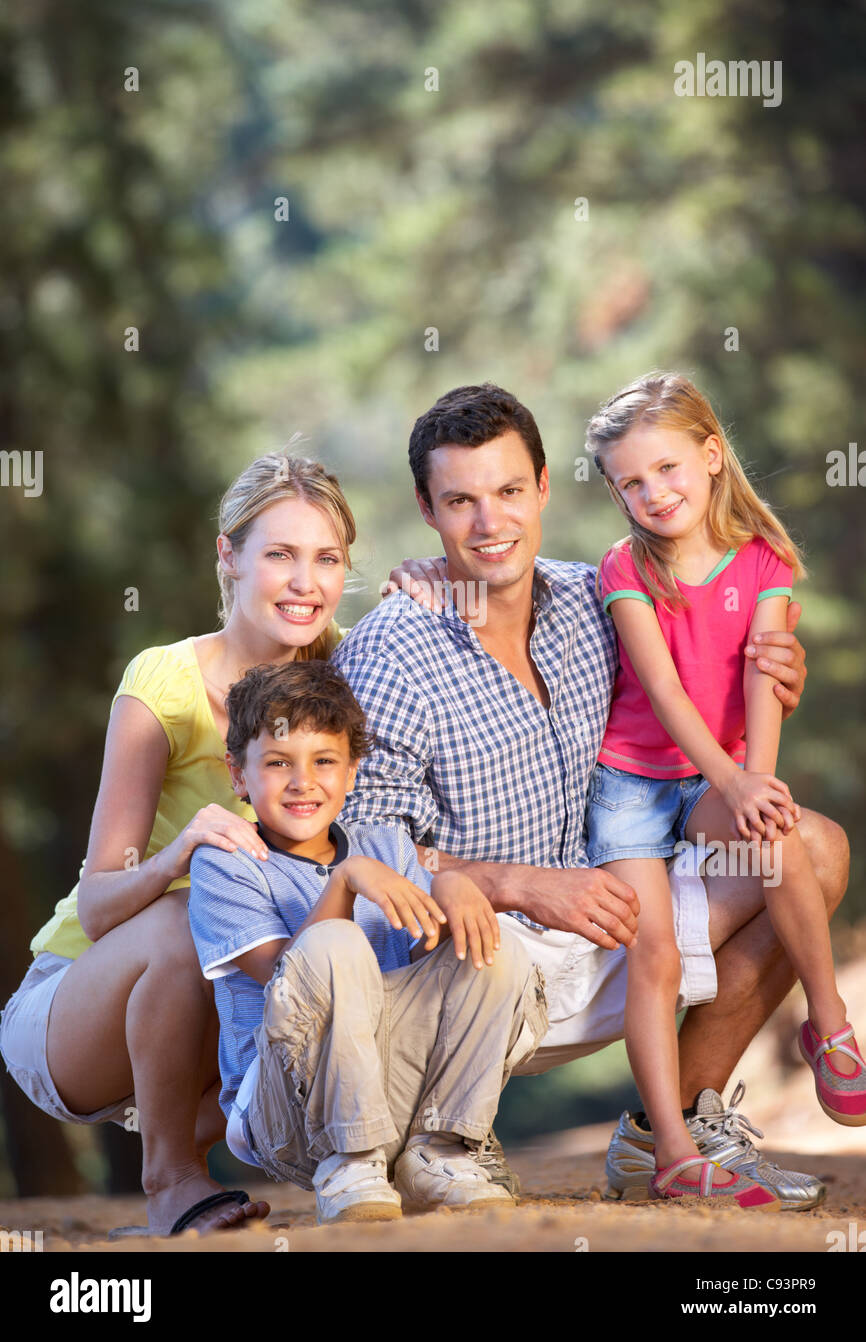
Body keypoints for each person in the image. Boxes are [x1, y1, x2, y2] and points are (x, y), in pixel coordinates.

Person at [334, 380, 849, 1210]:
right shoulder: (392, 648)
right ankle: (436, 1133)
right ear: (427, 510)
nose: (489, 523)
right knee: (482, 929)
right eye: (460, 502)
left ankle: (671, 1134)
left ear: (544, 487)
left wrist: (779, 666)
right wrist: (517, 883)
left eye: (508, 491)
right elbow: (359, 846)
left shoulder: (593, 597)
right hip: (480, 960)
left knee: (809, 851)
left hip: (611, 927)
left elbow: (702, 663)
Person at [0, 449, 353, 1235]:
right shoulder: (164, 682)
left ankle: (227, 1130)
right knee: (187, 912)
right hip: (78, 1004)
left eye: (327, 559)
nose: (306, 582)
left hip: (224, 1006)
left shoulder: (347, 674)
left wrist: (430, 589)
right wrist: (180, 853)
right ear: (229, 557)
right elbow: (98, 906)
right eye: (281, 555)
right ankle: (168, 1178)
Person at [580, 372, 864, 1204]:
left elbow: (763, 677)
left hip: (715, 780)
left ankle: (829, 1026)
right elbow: (665, 692)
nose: (653, 493)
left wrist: (757, 785)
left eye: (666, 468)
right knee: (655, 951)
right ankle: (669, 1151)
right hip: (633, 785)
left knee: (781, 836)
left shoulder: (765, 558)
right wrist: (734, 779)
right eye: (631, 482)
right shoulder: (626, 567)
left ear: (711, 455)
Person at [187, 659, 547, 1224]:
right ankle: (349, 1164)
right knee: (335, 941)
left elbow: (431, 962)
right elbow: (288, 978)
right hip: (290, 1112)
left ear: (352, 772)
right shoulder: (227, 864)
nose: (303, 782)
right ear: (238, 774)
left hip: (395, 1092)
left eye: (324, 761)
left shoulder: (386, 845)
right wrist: (345, 880)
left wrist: (452, 888)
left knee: (490, 950)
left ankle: (440, 1152)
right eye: (278, 763)